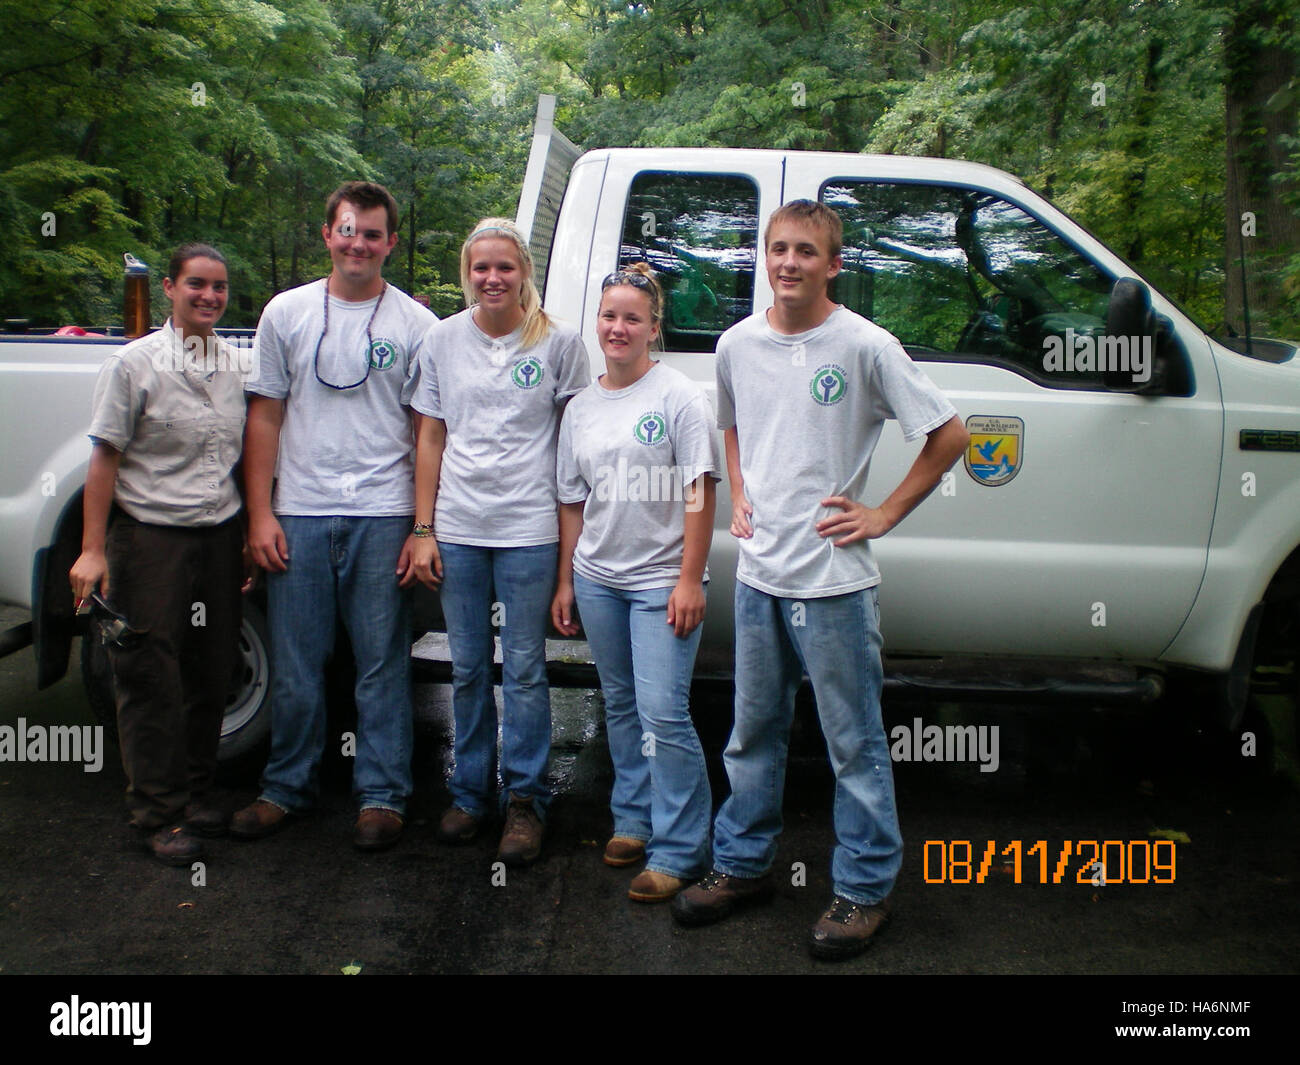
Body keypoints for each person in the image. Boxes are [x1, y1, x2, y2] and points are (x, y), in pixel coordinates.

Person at [670, 200, 970, 959]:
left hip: (834, 583)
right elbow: (731, 422)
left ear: (833, 263)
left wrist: (883, 514)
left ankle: (864, 891)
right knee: (752, 732)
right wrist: (741, 490)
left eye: (806, 250)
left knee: (854, 742)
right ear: (763, 258)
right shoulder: (737, 344)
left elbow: (950, 433)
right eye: (778, 249)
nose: (789, 262)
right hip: (763, 576)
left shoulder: (864, 345)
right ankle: (742, 866)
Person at [231, 181, 436, 851]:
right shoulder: (285, 314)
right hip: (301, 511)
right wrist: (259, 514)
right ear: (327, 234)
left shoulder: (416, 325)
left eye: (372, 233)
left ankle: (382, 795)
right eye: (347, 230)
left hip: (383, 513)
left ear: (390, 244)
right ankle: (285, 787)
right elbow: (264, 416)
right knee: (297, 661)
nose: (358, 243)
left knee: (381, 663)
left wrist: (419, 524)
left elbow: (425, 431)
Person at [409, 218, 589, 866]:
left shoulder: (558, 343)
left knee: (524, 666)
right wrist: (423, 529)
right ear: (468, 273)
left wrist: (574, 545)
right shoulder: (442, 340)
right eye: (481, 268)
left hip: (529, 528)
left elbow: (575, 439)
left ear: (524, 273)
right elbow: (429, 436)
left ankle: (525, 801)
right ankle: (469, 793)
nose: (492, 278)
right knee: (465, 667)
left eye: (504, 268)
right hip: (458, 527)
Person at [70, 243, 249, 865]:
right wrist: (93, 550)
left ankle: (198, 794)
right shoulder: (133, 365)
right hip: (150, 538)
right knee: (149, 672)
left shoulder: (235, 365)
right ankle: (157, 812)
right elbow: (104, 458)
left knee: (210, 667)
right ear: (170, 288)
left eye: (220, 287)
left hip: (219, 535)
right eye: (196, 284)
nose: (209, 296)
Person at [550, 263, 720, 902]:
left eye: (632, 318)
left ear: (654, 327)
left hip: (660, 584)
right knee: (618, 704)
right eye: (609, 316)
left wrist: (690, 580)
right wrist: (568, 580)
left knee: (664, 713)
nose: (618, 328)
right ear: (596, 323)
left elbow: (700, 492)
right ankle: (633, 820)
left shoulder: (678, 396)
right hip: (598, 578)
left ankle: (680, 848)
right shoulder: (581, 407)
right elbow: (572, 500)